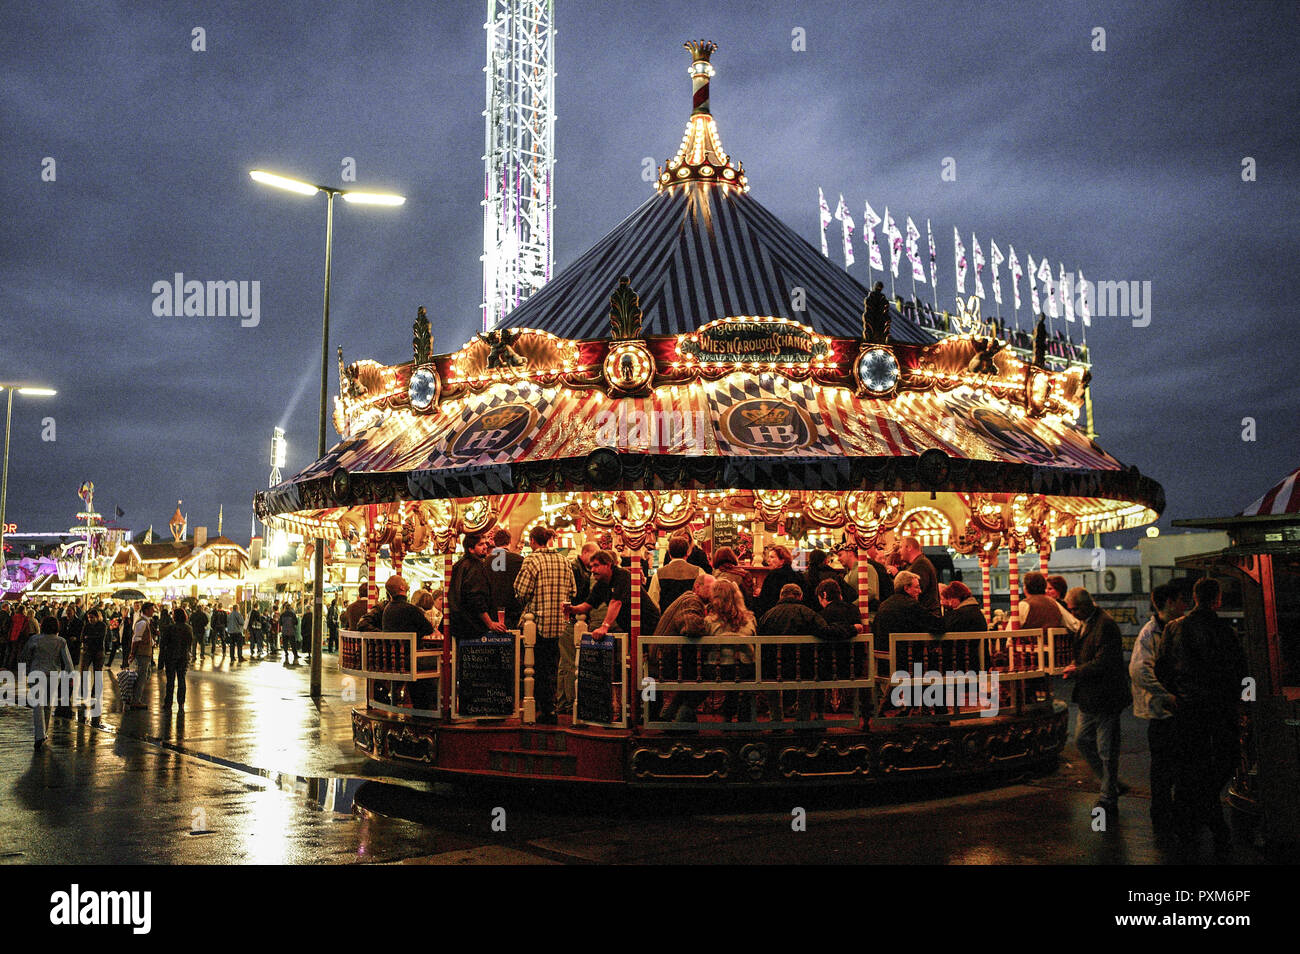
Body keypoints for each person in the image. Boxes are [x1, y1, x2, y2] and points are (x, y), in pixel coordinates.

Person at [1154, 577, 1245, 854]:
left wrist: (1178, 693)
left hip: (1187, 709)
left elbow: (1161, 668)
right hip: (1218, 709)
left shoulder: (1173, 628)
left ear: (1194, 597)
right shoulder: (1225, 631)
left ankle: (1190, 823)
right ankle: (1210, 820)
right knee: (1225, 760)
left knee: (1190, 766)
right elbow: (1238, 672)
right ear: (1217, 599)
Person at [1061, 587, 1131, 815]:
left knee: (1106, 749)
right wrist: (1077, 666)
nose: (1072, 613)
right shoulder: (1088, 623)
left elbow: (1105, 662)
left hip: (1105, 696)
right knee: (1082, 741)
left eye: (1074, 609)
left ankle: (1108, 797)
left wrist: (1077, 670)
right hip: (1090, 696)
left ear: (1084, 606)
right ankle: (1111, 784)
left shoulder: (1105, 625)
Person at [1129, 582, 1186, 844]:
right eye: (1181, 600)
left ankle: (1173, 813)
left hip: (1171, 709)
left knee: (1174, 765)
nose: (1185, 605)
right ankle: (1162, 815)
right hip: (1161, 712)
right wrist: (1166, 695)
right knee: (1163, 767)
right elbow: (1139, 671)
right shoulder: (1150, 633)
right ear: (1169, 602)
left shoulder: (1173, 628)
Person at [510, 526, 576, 721]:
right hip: (560, 623)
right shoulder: (564, 561)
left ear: (532, 541)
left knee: (537, 667)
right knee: (553, 666)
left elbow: (521, 591)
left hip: (537, 623)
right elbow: (573, 591)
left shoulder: (532, 560)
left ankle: (544, 709)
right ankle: (551, 706)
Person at [653, 574, 715, 722]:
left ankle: (671, 714)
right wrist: (711, 626)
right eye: (711, 588)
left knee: (697, 676)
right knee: (708, 676)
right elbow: (691, 628)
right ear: (697, 587)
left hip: (662, 658)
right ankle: (682, 717)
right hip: (667, 661)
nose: (714, 592)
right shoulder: (692, 601)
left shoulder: (687, 599)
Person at [757, 581, 820, 722]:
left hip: (773, 668)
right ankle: (803, 718)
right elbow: (823, 629)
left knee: (770, 678)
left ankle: (776, 718)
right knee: (808, 675)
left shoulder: (768, 615)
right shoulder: (807, 613)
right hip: (802, 667)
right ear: (800, 596)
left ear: (781, 596)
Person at [381, 575, 435, 709]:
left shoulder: (387, 610)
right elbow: (428, 629)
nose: (406, 582)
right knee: (440, 660)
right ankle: (432, 705)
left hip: (392, 658)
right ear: (401, 587)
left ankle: (419, 703)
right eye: (404, 581)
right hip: (408, 659)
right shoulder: (410, 609)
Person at [21, 616, 74, 749]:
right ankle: (44, 733)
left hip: (36, 673)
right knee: (48, 705)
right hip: (53, 676)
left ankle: (39, 734)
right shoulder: (61, 641)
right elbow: (68, 663)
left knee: (37, 705)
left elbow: (24, 656)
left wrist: (26, 671)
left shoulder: (34, 639)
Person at [449, 532, 507, 640]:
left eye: (485, 543)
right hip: (473, 627)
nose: (485, 547)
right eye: (480, 544)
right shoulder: (475, 566)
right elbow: (475, 598)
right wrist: (490, 623)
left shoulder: (460, 564)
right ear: (471, 549)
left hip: (459, 625)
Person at [872, 570, 942, 653]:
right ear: (906, 588)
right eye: (917, 587)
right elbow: (935, 624)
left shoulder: (884, 604)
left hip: (882, 656)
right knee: (922, 657)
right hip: (904, 657)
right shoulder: (911, 605)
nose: (920, 591)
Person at [570, 550, 631, 640]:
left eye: (596, 565)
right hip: (627, 627)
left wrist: (604, 626)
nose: (592, 570)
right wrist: (571, 609)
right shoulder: (602, 583)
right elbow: (587, 605)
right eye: (591, 567)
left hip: (646, 624)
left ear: (608, 565)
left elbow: (616, 602)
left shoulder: (622, 575)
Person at [1009, 571, 1079, 632]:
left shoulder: (1024, 605)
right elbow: (1074, 624)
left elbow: (1009, 632)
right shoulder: (1054, 603)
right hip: (1053, 642)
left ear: (1026, 588)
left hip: (1030, 642)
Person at [649, 534, 702, 613]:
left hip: (667, 617)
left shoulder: (659, 574)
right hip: (691, 617)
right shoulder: (698, 572)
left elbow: (653, 602)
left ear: (669, 553)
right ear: (687, 552)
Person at [486, 528, 525, 630]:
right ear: (510, 542)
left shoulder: (485, 562)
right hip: (514, 612)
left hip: (492, 613)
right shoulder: (519, 560)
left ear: (494, 542)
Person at [756, 545, 805, 619]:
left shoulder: (773, 576)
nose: (768, 560)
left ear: (782, 560)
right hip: (797, 616)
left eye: (772, 557)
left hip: (775, 616)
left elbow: (764, 602)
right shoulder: (798, 575)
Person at [897, 537, 941, 617]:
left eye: (901, 547)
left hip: (926, 616)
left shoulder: (921, 565)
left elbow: (915, 593)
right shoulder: (917, 563)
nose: (899, 551)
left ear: (909, 547)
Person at [159, 607, 193, 710]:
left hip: (170, 656)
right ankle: (181, 703)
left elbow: (163, 644)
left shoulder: (169, 628)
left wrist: (161, 662)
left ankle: (168, 703)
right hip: (183, 656)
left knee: (170, 681)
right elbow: (189, 643)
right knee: (181, 679)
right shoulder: (188, 628)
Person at [125, 602, 157, 710]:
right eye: (152, 609)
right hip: (142, 653)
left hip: (146, 653)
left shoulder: (146, 622)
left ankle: (134, 698)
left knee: (145, 675)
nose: (153, 611)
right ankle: (135, 700)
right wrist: (132, 653)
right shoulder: (142, 622)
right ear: (146, 610)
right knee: (141, 677)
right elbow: (136, 639)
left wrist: (152, 642)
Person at [77, 608, 108, 711]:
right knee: (83, 671)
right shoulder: (87, 625)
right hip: (88, 651)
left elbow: (100, 638)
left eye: (92, 617)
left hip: (98, 651)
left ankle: (95, 692)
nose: (90, 619)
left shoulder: (102, 625)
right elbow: (82, 637)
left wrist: (88, 638)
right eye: (89, 617)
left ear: (97, 617)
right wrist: (89, 638)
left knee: (97, 672)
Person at [571, 542, 598, 607]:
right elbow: (577, 593)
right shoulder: (574, 567)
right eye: (594, 556)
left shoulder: (586, 568)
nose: (595, 559)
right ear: (585, 552)